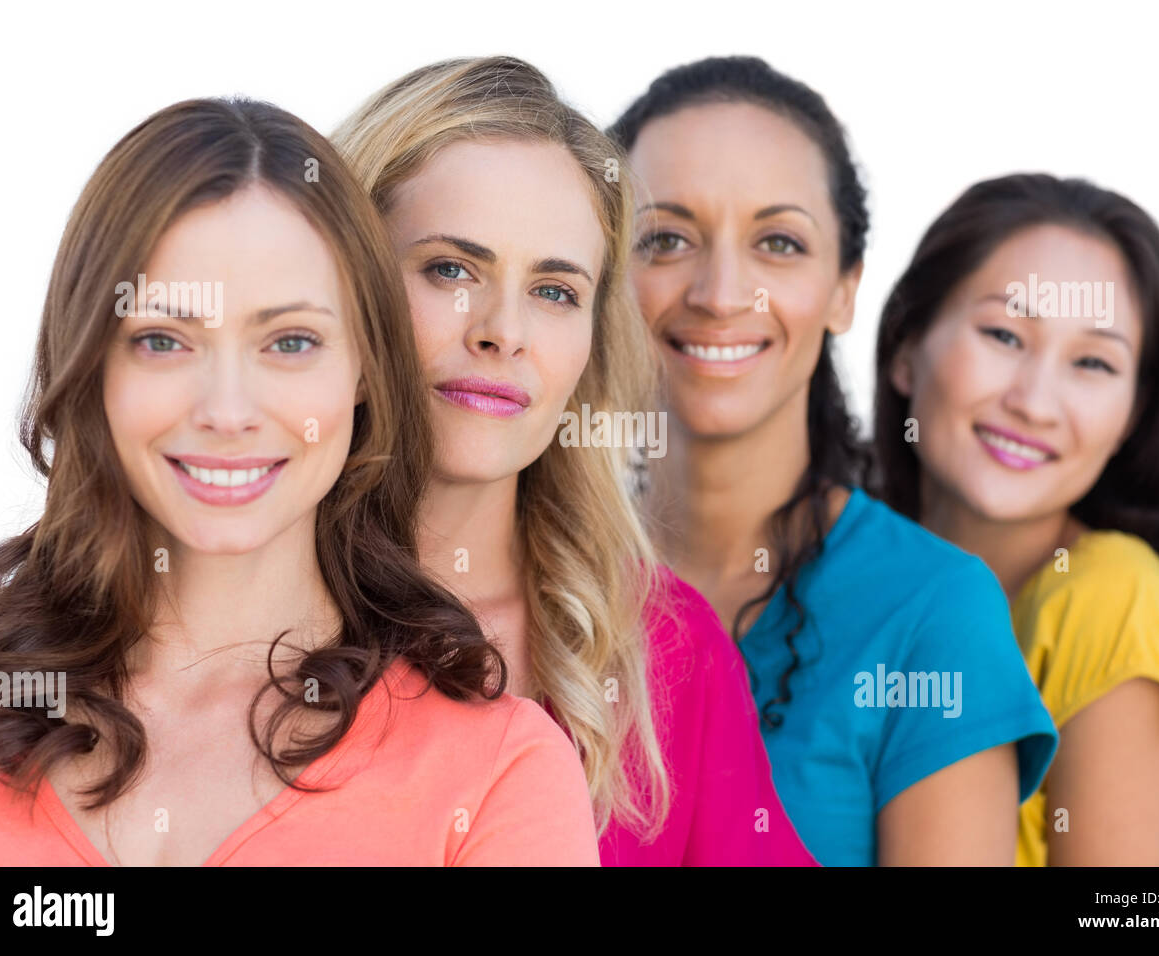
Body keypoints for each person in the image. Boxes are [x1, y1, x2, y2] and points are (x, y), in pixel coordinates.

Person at [0, 96, 597, 866]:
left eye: (290, 341)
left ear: (365, 369)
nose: (228, 411)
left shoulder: (501, 772)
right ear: (93, 363)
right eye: (164, 340)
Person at [334, 56, 815, 864]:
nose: (502, 331)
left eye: (555, 290)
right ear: (343, 280)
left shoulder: (667, 646)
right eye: (451, 269)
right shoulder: (218, 603)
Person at [610, 56, 1058, 865]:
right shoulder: (544, 573)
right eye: (666, 238)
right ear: (607, 273)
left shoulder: (935, 615)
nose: (719, 292)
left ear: (845, 288)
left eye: (778, 242)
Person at [872, 172, 1159, 864]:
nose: (1034, 401)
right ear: (906, 344)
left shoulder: (1110, 601)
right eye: (1004, 335)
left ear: (1133, 415)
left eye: (1092, 363)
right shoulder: (852, 576)